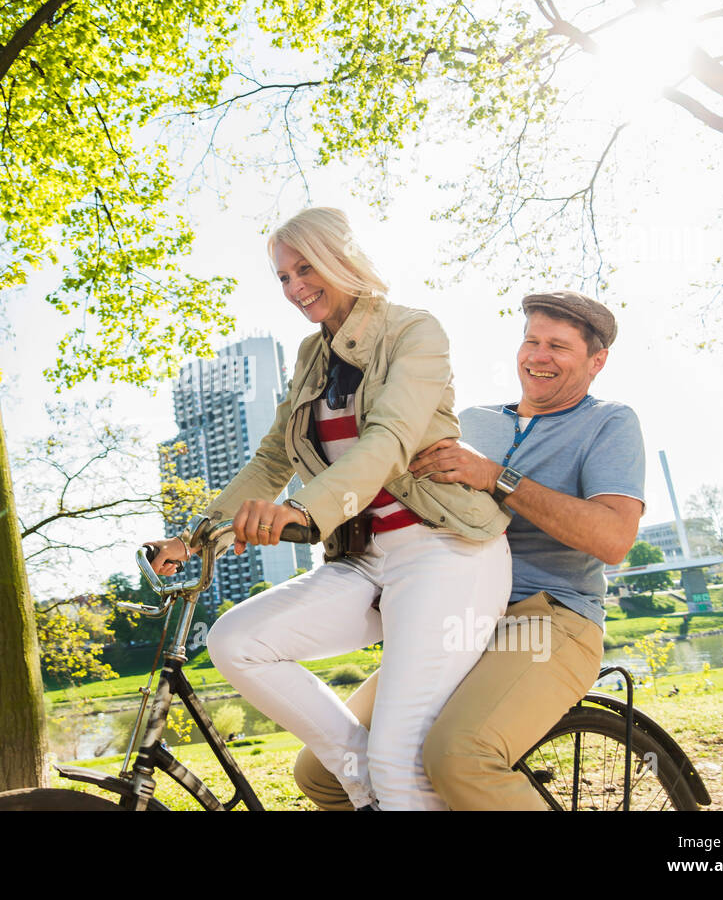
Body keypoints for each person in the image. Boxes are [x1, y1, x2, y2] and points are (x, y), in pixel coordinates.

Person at [143, 207, 511, 810]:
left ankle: (389, 778)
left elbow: (387, 441)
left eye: (304, 268)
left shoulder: (415, 331)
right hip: (366, 561)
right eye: (282, 277)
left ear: (343, 258)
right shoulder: (311, 354)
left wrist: (304, 513)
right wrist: (197, 538)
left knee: (401, 762)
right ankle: (365, 782)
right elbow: (270, 459)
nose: (293, 288)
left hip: (445, 553)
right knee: (237, 642)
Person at [294, 289, 646, 810]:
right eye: (531, 341)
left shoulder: (609, 422)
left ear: (597, 362)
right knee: (325, 769)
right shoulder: (472, 421)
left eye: (558, 346)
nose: (538, 356)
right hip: (448, 617)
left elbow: (613, 538)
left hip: (544, 618)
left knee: (459, 757)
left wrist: (496, 478)